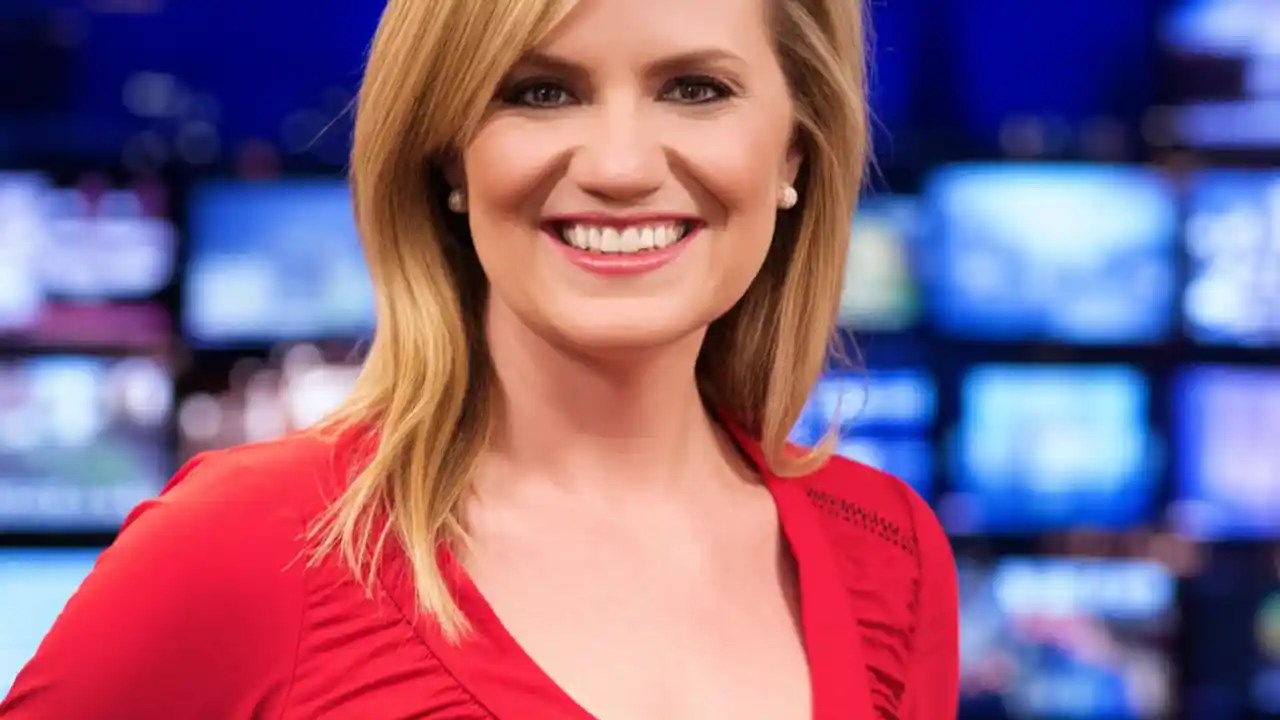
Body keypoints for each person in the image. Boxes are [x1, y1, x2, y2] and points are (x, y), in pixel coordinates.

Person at [0, 0, 958, 717]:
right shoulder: (246, 543)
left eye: (695, 90)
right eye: (540, 92)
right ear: (449, 153)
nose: (619, 166)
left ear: (795, 152)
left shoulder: (892, 555)